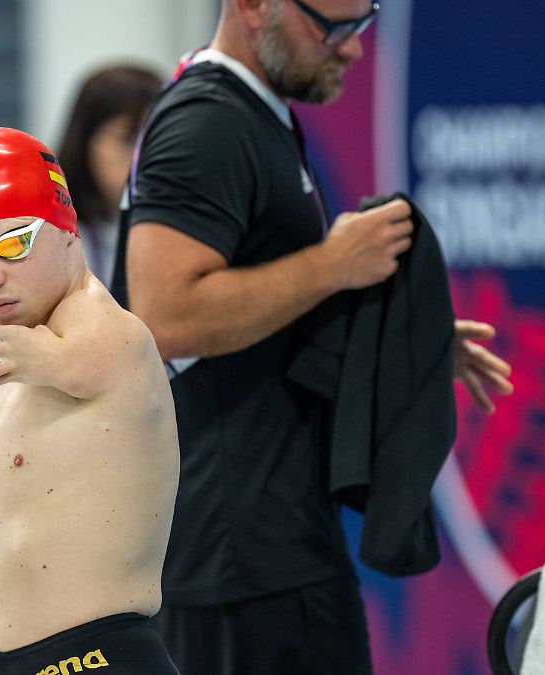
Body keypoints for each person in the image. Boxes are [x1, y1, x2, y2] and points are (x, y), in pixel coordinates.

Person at [111, 0, 516, 672]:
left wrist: (401, 346)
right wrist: (334, 262)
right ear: (251, 7)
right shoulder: (206, 124)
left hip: (274, 545)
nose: (353, 48)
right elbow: (165, 316)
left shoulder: (254, 115)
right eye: (332, 27)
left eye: (363, 24)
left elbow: (271, 318)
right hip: (237, 559)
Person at [0, 127, 181, 674]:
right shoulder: (13, 370)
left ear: (68, 231)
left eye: (12, 244)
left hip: (97, 659)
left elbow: (79, 358)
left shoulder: (109, 335)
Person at [0, 65, 162, 413]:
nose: (145, 158)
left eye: (156, 140)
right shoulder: (40, 236)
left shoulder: (173, 239)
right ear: (86, 142)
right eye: (128, 139)